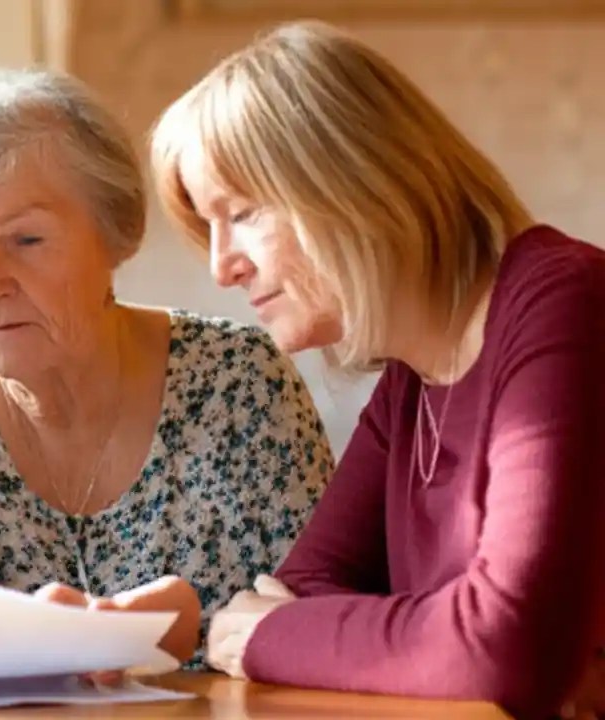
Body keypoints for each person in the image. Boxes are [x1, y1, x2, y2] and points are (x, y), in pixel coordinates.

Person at [150, 19, 605, 719]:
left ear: (353, 183)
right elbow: (300, 590)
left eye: (241, 213)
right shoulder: (410, 384)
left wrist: (285, 635)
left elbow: (510, 651)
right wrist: (433, 636)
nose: (222, 267)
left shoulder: (565, 303)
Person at [0, 68, 333, 666]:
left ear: (114, 234)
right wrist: (130, 636)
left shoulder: (240, 381)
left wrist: (173, 630)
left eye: (26, 239)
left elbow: (320, 618)